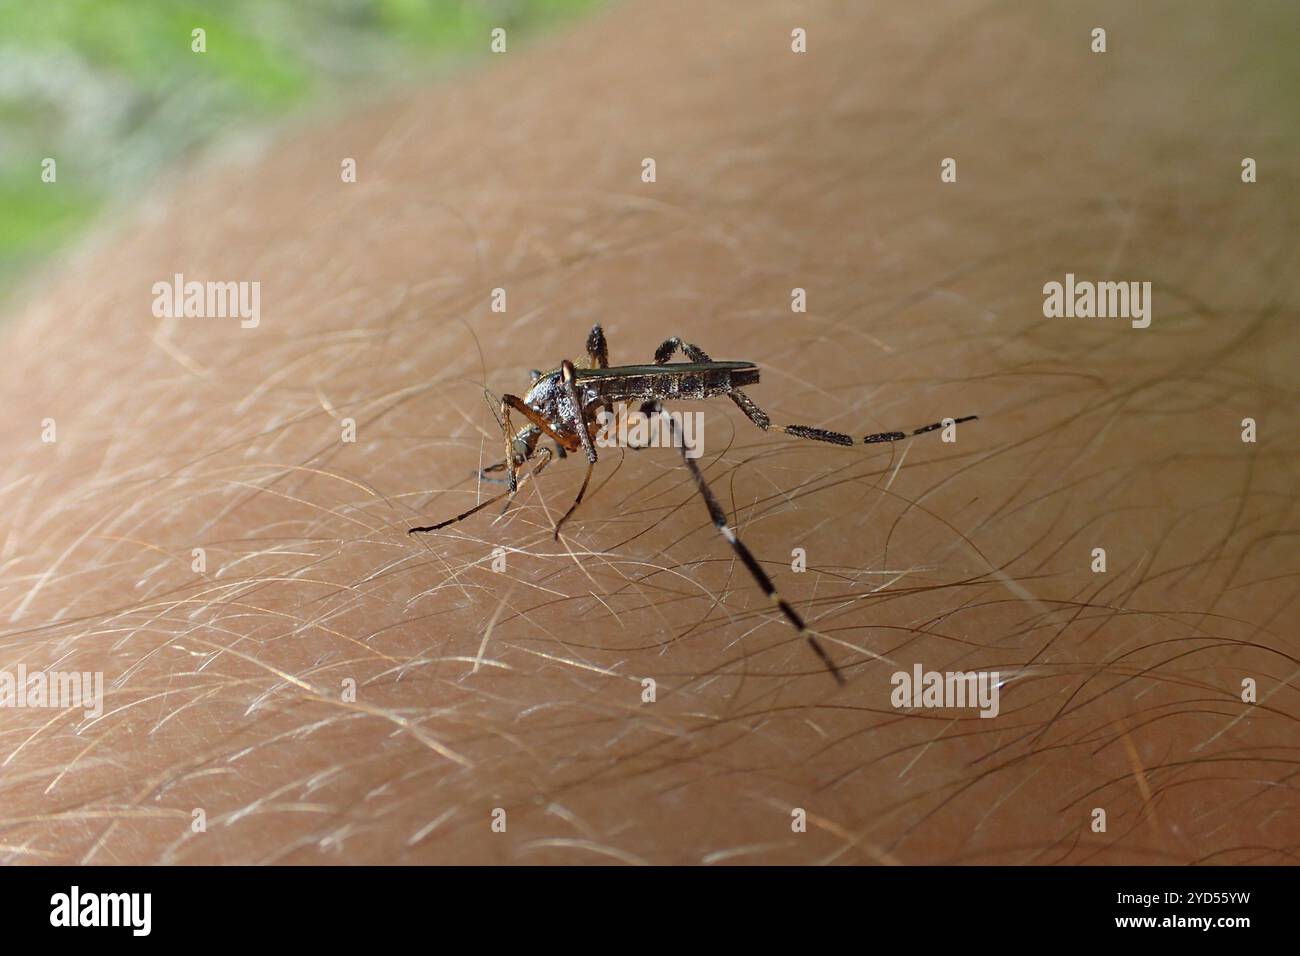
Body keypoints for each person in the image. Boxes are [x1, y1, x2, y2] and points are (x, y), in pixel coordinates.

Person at [0, 0, 1294, 864]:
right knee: (612, 401)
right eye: (544, 437)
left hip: (676, 389)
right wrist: (527, 476)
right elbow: (543, 401)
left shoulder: (609, 404)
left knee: (705, 488)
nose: (544, 436)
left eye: (544, 437)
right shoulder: (549, 407)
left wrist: (603, 450)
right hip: (619, 385)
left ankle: (809, 504)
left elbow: (596, 394)